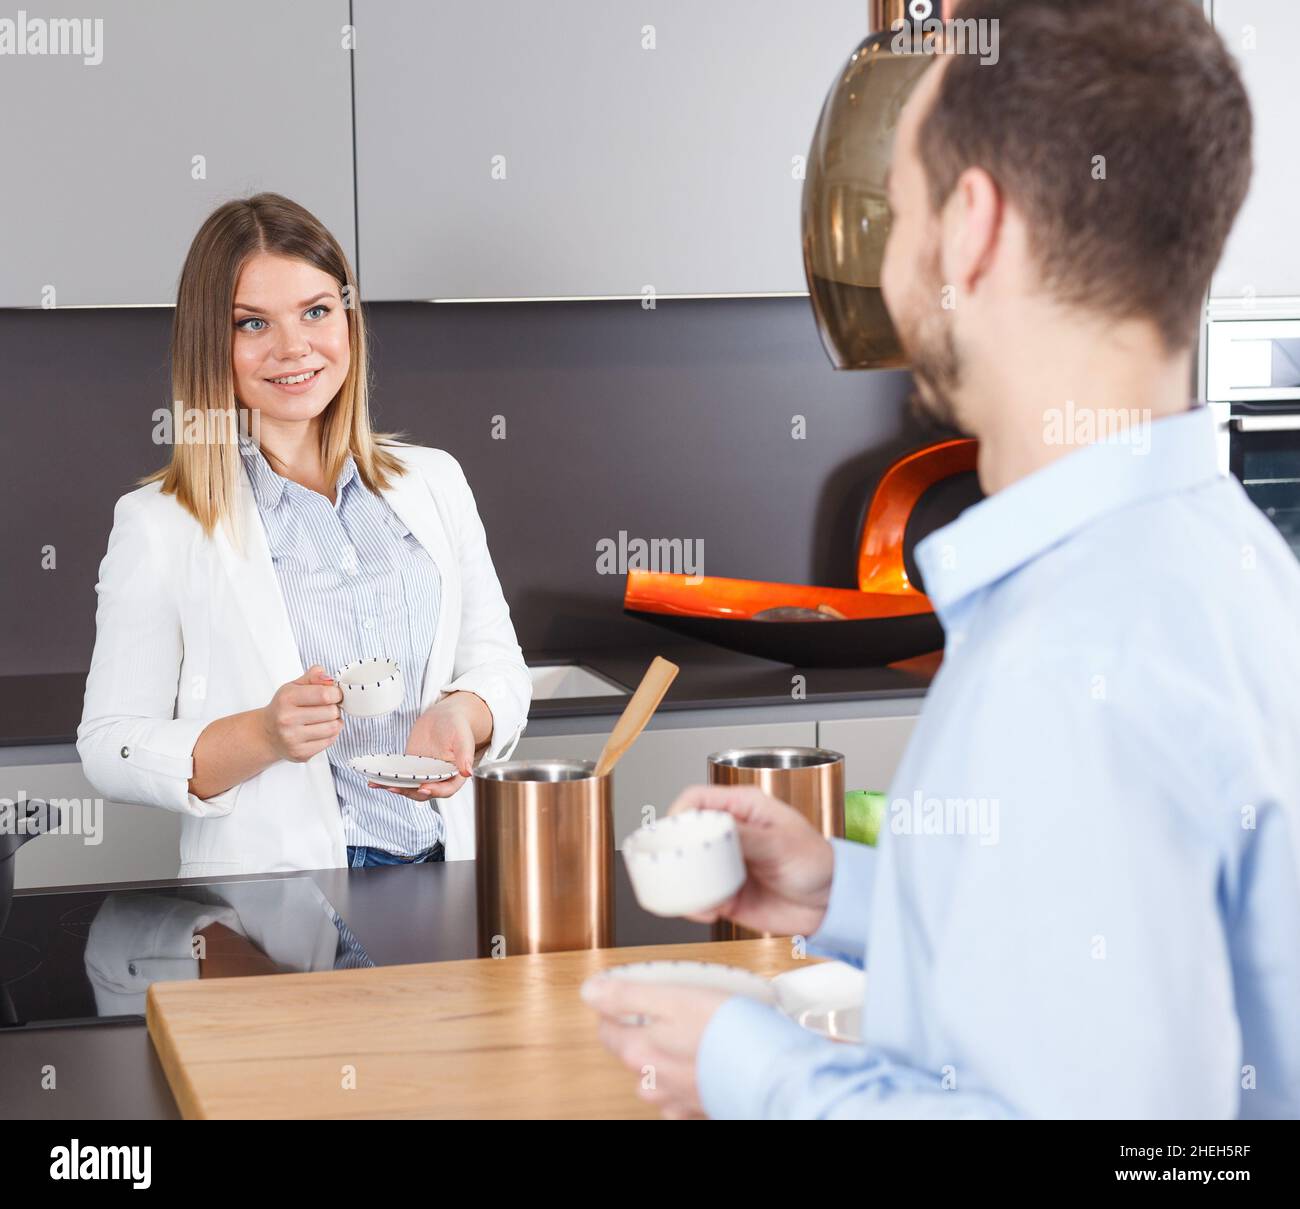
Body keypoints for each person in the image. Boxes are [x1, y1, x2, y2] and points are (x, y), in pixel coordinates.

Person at [584, 0, 1300, 1118]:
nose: (888, 251)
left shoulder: (1063, 654)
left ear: (970, 227)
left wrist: (749, 1069)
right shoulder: (1227, 566)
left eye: (898, 207)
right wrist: (856, 893)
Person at [77, 193, 530, 875]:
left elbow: (498, 666)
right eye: (253, 323)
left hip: (452, 880)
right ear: (212, 342)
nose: (294, 348)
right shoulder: (159, 525)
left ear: (346, 319)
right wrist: (262, 733)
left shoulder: (435, 483)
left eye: (316, 311)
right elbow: (108, 747)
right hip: (279, 907)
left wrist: (465, 716)